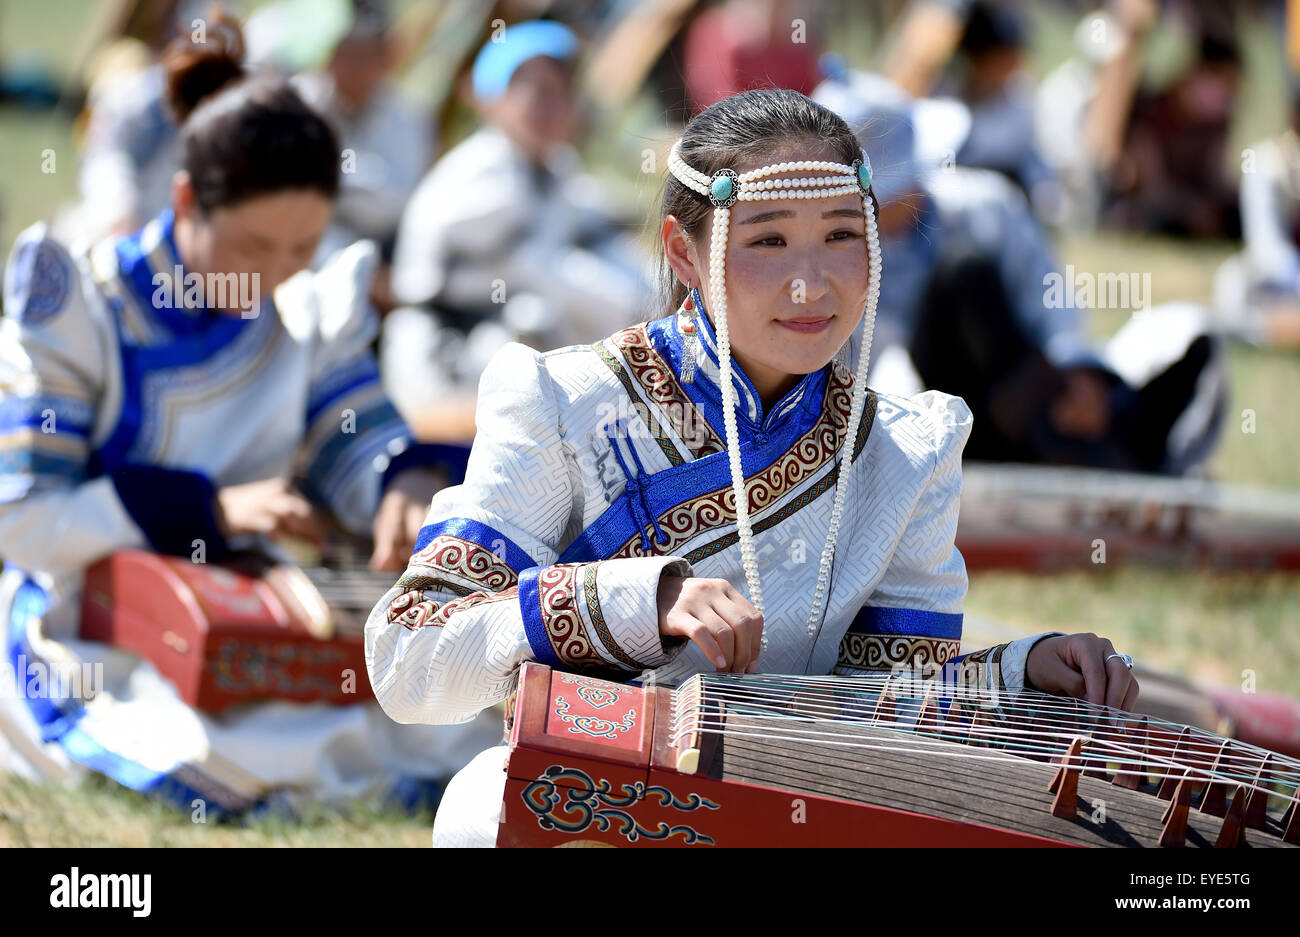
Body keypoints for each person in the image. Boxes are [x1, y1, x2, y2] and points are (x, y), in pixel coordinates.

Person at [364, 88, 1142, 848]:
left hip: (790, 812)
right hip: (611, 806)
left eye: (842, 236)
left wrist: (1021, 673)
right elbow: (410, 658)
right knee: (481, 804)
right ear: (683, 252)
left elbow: (887, 704)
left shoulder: (908, 446)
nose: (813, 281)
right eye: (768, 240)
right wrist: (643, 598)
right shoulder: (563, 399)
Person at [0, 14, 499, 812]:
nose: (274, 271)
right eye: (252, 245)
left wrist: (399, 486)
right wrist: (207, 508)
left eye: (300, 247)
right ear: (188, 198)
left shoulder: (304, 310)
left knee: (455, 730)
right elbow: (21, 517)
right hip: (91, 609)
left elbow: (355, 429)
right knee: (208, 751)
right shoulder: (80, 310)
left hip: (258, 603)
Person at [814, 72, 1226, 474]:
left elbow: (1053, 307)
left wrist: (1080, 380)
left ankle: (1093, 433)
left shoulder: (987, 207)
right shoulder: (820, 266)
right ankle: (1106, 449)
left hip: (1037, 390)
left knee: (1189, 336)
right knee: (960, 275)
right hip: (934, 426)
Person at [384, 19, 652, 441]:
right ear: (491, 99)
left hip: (495, 356)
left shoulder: (552, 166)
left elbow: (606, 234)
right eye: (534, 89)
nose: (550, 104)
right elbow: (549, 272)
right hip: (444, 359)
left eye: (560, 90)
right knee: (541, 322)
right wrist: (648, 320)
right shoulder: (481, 175)